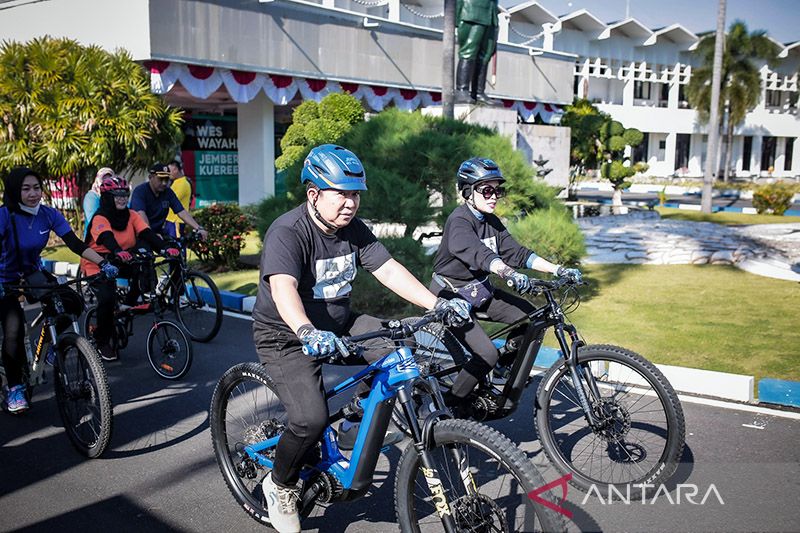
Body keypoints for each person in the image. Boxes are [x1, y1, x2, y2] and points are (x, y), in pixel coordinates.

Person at [252, 144, 471, 533]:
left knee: (400, 353)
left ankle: (355, 414)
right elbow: (284, 289)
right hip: (286, 336)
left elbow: (388, 270)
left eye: (355, 194)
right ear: (314, 194)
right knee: (310, 418)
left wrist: (437, 303)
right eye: (342, 193)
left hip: (339, 324)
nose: (351, 203)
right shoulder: (288, 232)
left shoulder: (352, 229)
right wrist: (306, 331)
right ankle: (280, 484)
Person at [431, 157, 582, 411]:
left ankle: (501, 365)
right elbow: (478, 253)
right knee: (486, 353)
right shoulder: (459, 221)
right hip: (450, 294)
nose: (494, 196)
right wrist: (507, 273)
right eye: (487, 190)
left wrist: (558, 269)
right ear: (467, 192)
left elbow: (518, 253)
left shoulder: (492, 222)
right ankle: (449, 407)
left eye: (498, 190)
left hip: (479, 290)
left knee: (532, 317)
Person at [1, 167, 118, 413]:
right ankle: (14, 389)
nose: (33, 194)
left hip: (31, 274)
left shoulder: (48, 214)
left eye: (36, 188)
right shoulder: (4, 216)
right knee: (12, 330)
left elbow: (75, 244)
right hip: (4, 279)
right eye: (26, 189)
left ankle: (57, 348)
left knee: (73, 302)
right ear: (14, 191)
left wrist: (103, 263)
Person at [80, 174, 180, 361]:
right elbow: (106, 237)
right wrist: (118, 250)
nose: (122, 198)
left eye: (125, 194)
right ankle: (102, 340)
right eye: (117, 195)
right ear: (107, 197)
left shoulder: (131, 215)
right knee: (107, 299)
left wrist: (165, 248)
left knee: (144, 268)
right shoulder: (100, 217)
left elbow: (147, 233)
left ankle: (127, 304)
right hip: (97, 262)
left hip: (121, 258)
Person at [129, 162, 208, 241]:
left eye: (166, 179)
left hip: (158, 234)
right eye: (160, 179)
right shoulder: (140, 191)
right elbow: (141, 214)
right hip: (138, 235)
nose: (164, 183)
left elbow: (181, 211)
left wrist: (198, 228)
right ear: (150, 177)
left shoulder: (167, 192)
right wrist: (151, 235)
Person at [456, 0, 501, 105]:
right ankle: (462, 91)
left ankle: (479, 92)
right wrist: (456, 19)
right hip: (472, 13)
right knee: (468, 51)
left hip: (491, 15)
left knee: (485, 55)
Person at [83, 167, 114, 239]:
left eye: (110, 179)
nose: (107, 182)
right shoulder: (91, 197)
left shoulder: (116, 196)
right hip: (95, 238)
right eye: (104, 179)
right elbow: (94, 220)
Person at [164, 160, 192, 239]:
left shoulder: (183, 183)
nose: (168, 174)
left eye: (170, 171)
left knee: (177, 247)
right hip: (171, 221)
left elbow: (171, 200)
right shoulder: (176, 182)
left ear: (176, 170)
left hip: (176, 221)